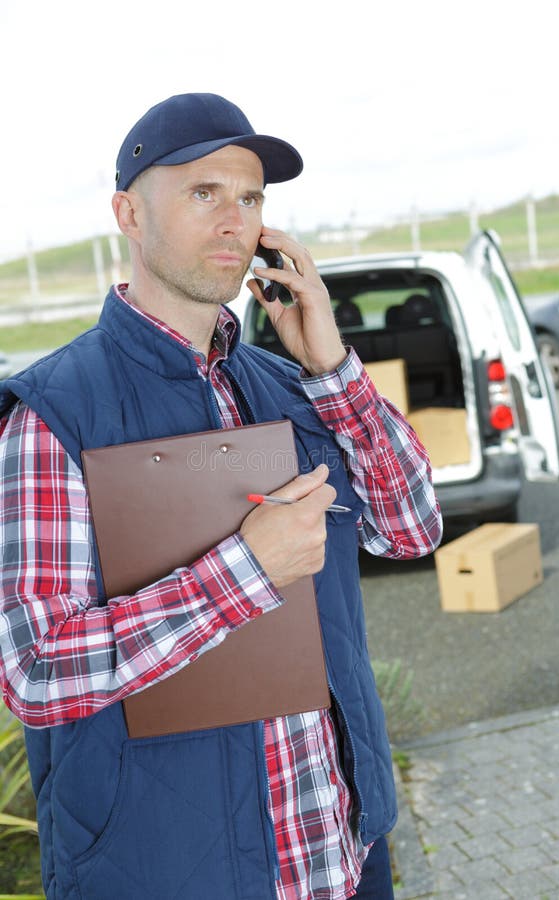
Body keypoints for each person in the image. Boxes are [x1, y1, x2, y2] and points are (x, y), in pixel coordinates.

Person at [0, 93, 442, 900]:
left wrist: (335, 369)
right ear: (129, 213)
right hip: (170, 869)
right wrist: (248, 568)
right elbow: (35, 671)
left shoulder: (295, 386)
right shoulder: (54, 414)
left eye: (251, 197)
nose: (235, 220)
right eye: (205, 193)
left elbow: (411, 531)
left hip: (338, 854)